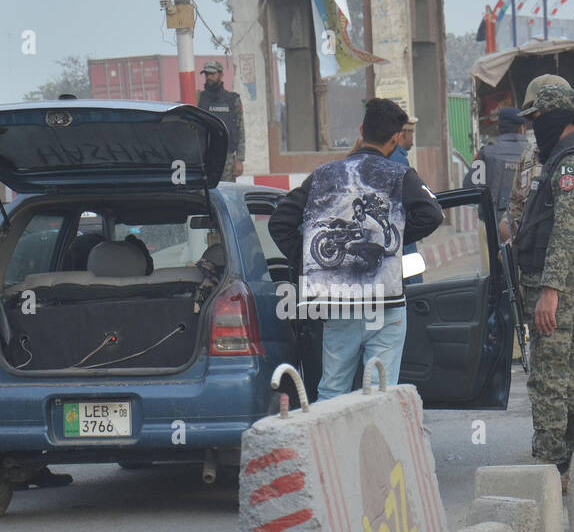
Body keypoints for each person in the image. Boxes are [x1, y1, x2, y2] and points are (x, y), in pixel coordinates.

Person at [269, 98, 442, 399]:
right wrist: (398, 238)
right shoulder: (400, 175)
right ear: (396, 138)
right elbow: (433, 213)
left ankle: (330, 447)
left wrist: (305, 255)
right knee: (379, 395)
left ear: (361, 130)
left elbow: (280, 221)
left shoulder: (323, 175)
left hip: (339, 305)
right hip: (386, 305)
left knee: (332, 391)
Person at [513, 82, 574, 476]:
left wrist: (550, 290)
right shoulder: (560, 156)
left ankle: (552, 463)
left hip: (562, 281)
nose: (534, 127)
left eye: (537, 118)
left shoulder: (571, 161)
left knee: (549, 376)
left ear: (554, 114)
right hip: (560, 278)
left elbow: (569, 230)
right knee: (569, 370)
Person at [500, 73, 573, 244]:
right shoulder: (528, 155)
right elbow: (515, 205)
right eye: (533, 117)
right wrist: (506, 225)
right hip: (534, 259)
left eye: (543, 115)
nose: (538, 122)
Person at [468, 106, 529, 227]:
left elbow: (470, 188)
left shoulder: (485, 153)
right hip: (526, 226)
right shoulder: (535, 154)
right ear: (522, 128)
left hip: (492, 227)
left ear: (499, 128)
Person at [198, 60, 244, 180]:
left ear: (221, 75)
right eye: (207, 74)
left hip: (227, 157)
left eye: (212, 74)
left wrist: (239, 159)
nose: (209, 77)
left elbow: (240, 129)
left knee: (226, 194)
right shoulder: (199, 99)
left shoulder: (232, 100)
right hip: (205, 157)